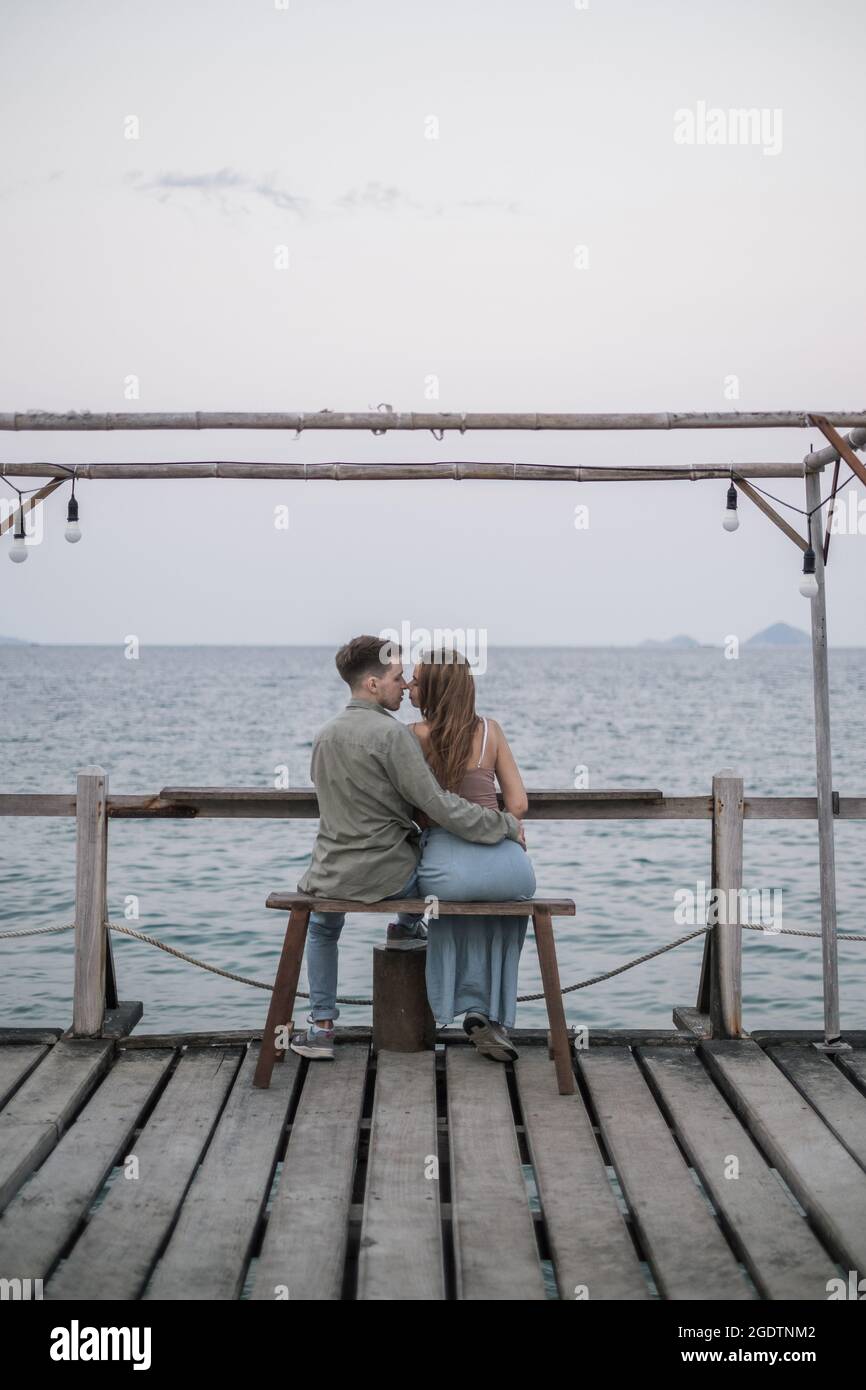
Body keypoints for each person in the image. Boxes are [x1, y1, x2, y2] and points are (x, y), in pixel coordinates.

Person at [289, 635, 524, 1060]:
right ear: (374, 685)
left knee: (323, 927)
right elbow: (437, 805)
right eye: (398, 678)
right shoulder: (394, 736)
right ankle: (411, 934)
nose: (405, 686)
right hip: (392, 878)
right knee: (430, 862)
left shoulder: (325, 735)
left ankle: (321, 1029)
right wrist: (502, 824)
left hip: (329, 873)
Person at [406, 651, 536, 1063]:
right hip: (511, 868)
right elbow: (517, 804)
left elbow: (407, 809)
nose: (409, 685)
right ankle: (491, 1017)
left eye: (416, 680)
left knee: (453, 902)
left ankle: (460, 1003)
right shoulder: (490, 731)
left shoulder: (412, 737)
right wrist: (496, 823)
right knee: (499, 913)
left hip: (448, 865)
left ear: (434, 690)